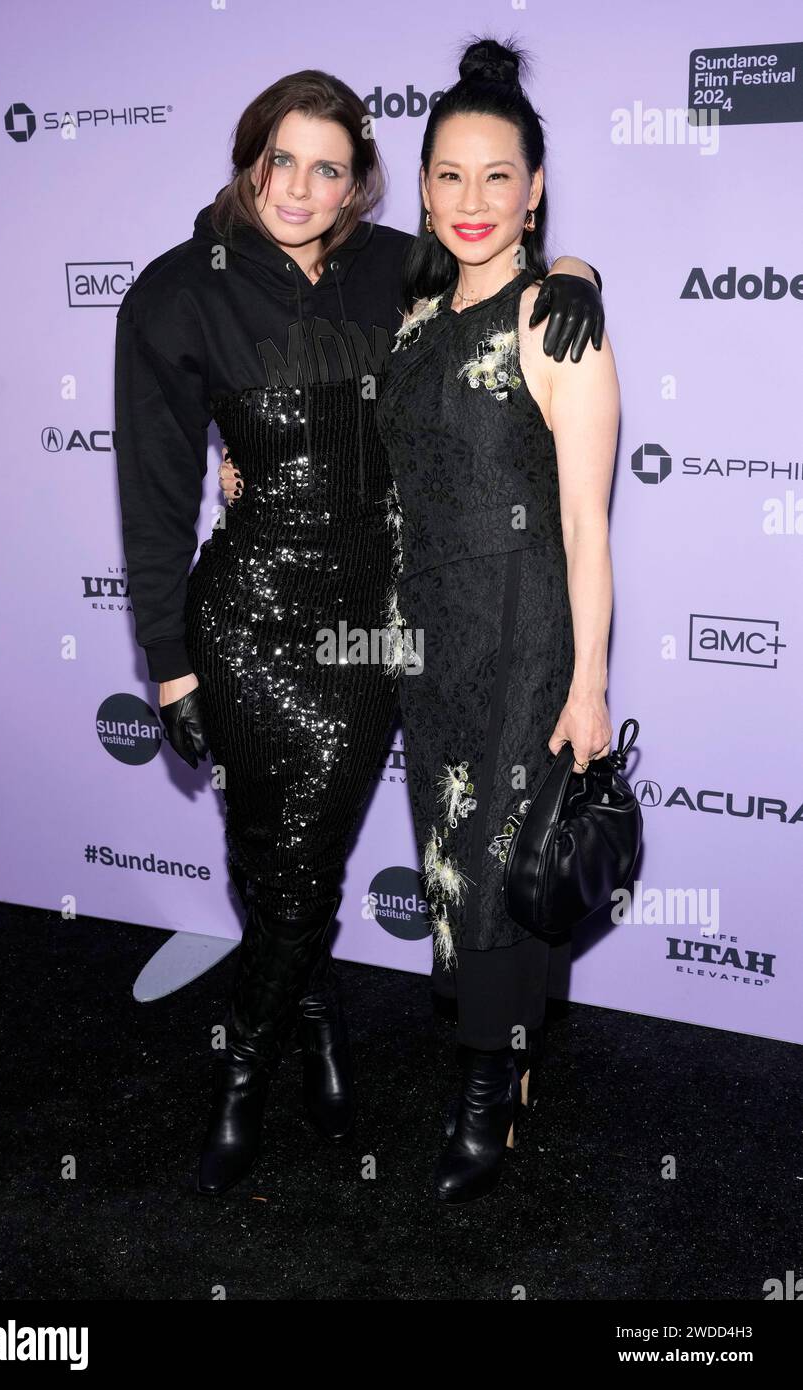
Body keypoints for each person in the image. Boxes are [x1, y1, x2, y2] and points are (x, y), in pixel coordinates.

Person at [114, 65, 605, 1197]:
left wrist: (581, 268)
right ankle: (282, 1054)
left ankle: (288, 1044)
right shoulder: (175, 292)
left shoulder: (397, 266)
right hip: (242, 622)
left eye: (326, 167)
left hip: (377, 629)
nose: (299, 185)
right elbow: (150, 495)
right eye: (279, 159)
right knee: (277, 857)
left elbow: (506, 279)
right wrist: (171, 664)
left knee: (302, 854)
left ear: (357, 187)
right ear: (247, 161)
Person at [373, 35, 620, 1205]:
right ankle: (508, 1052)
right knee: (450, 860)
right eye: (448, 176)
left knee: (492, 862)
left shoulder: (555, 320)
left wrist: (588, 682)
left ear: (533, 189)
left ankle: (486, 1086)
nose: (471, 201)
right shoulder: (412, 315)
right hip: (428, 636)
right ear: (421, 186)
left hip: (525, 633)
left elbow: (585, 521)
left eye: (497, 177)